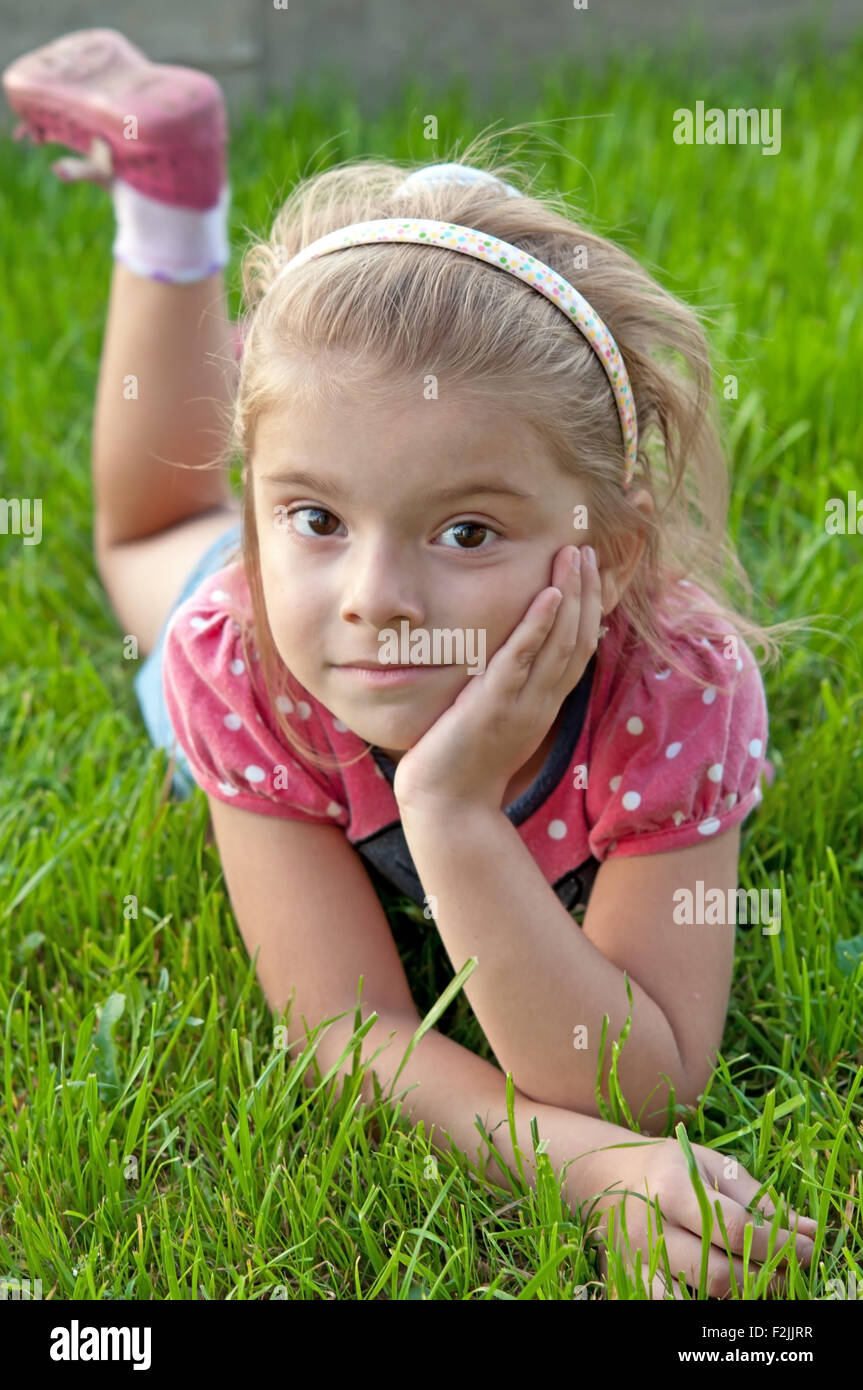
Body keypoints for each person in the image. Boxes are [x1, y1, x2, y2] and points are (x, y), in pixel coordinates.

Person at [3, 26, 819, 1301]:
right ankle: (169, 198)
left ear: (607, 545)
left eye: (467, 530)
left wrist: (446, 811)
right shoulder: (243, 650)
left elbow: (647, 1073)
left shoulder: (675, 684)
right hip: (253, 617)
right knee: (150, 538)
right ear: (266, 500)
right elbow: (341, 1024)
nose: (379, 604)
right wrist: (581, 1165)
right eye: (314, 510)